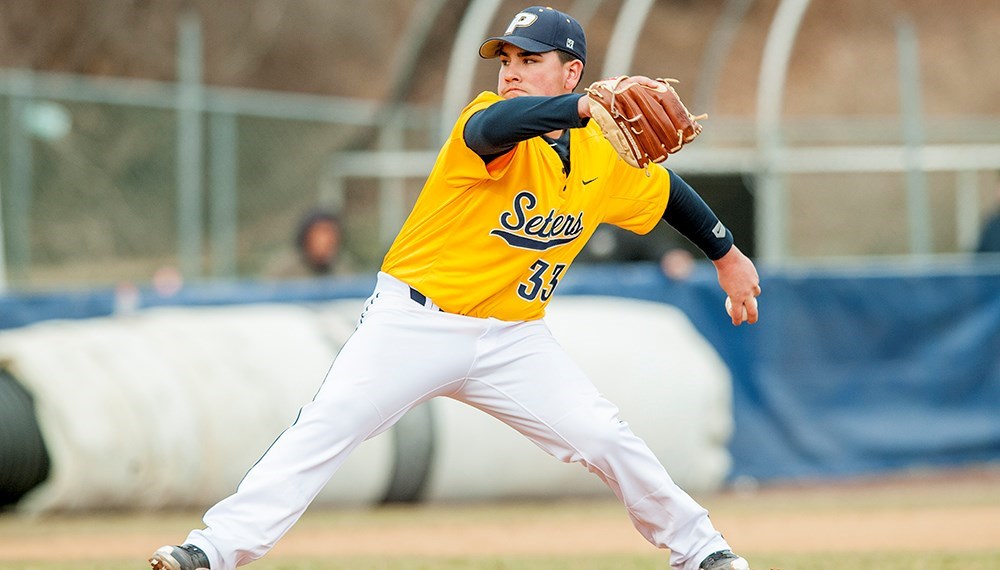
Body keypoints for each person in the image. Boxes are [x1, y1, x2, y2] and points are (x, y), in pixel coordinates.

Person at [150, 6, 760, 570]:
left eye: (530, 59)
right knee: (328, 425)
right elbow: (502, 123)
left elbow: (666, 191)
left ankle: (704, 553)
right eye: (506, 61)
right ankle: (210, 550)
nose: (511, 73)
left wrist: (726, 254)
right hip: (415, 323)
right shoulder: (484, 122)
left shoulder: (603, 158)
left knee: (604, 435)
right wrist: (576, 109)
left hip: (514, 339)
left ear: (572, 71)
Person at [262, 208, 355, 279]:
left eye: (332, 233)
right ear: (306, 236)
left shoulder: (343, 271)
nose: (327, 240)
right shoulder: (283, 272)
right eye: (321, 233)